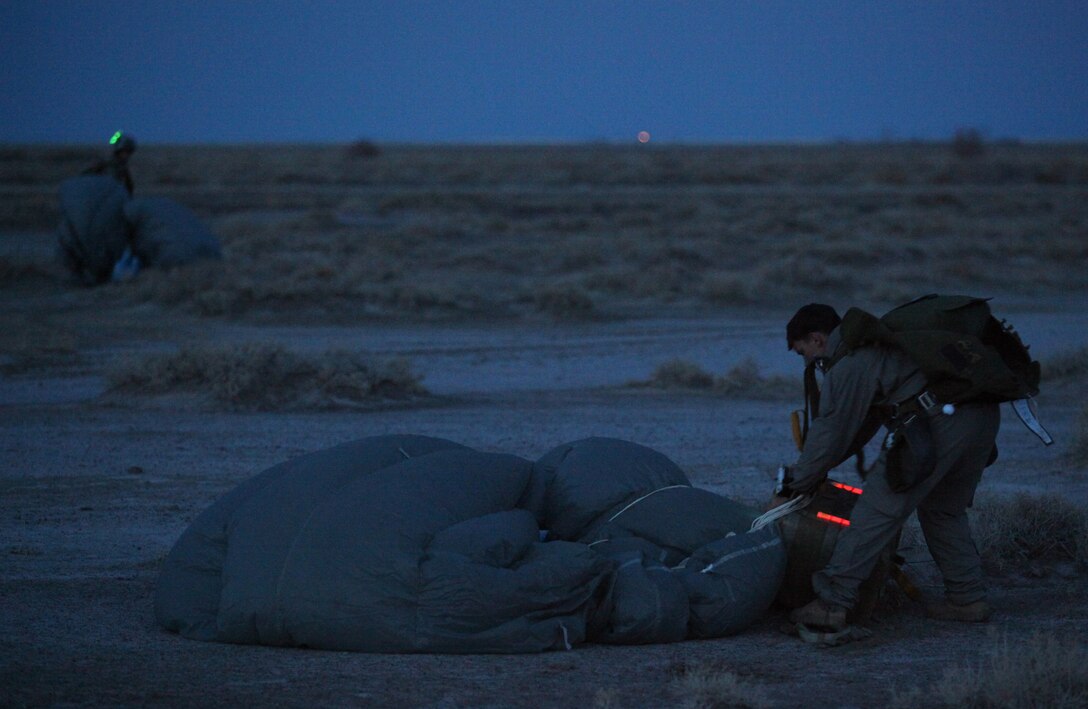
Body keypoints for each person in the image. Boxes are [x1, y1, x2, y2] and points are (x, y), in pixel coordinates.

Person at [777, 303, 999, 632]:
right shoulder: (876, 349)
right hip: (978, 417)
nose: (808, 361)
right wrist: (816, 471)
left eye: (802, 351)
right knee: (943, 510)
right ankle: (967, 600)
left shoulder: (850, 363)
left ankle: (832, 603)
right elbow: (860, 427)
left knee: (876, 510)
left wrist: (796, 485)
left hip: (936, 424)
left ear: (817, 339)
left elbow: (832, 431)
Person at [84, 130, 136, 195]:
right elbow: (86, 177)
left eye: (129, 152)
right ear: (119, 151)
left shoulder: (123, 168)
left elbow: (129, 187)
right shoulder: (106, 163)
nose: (127, 155)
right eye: (125, 152)